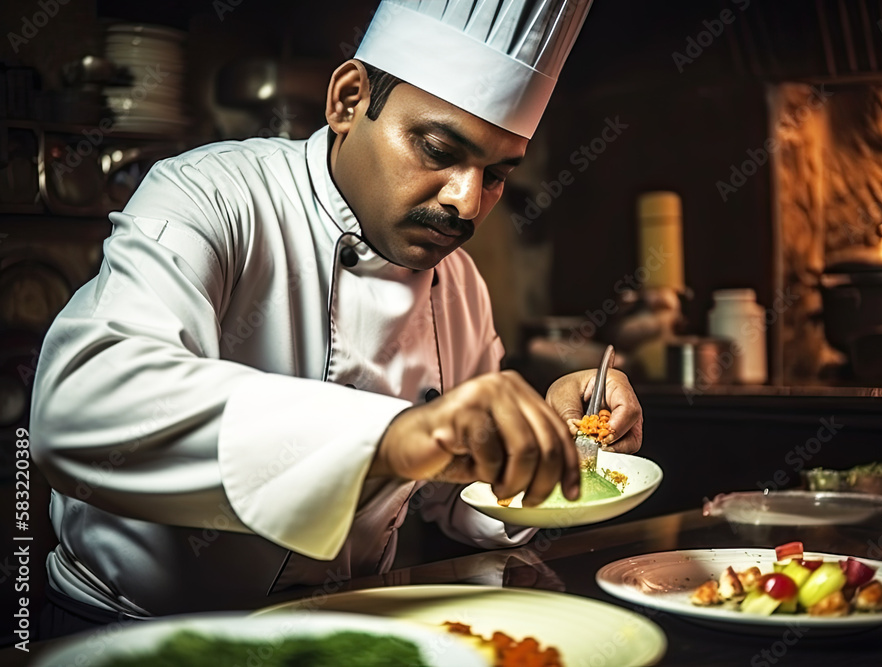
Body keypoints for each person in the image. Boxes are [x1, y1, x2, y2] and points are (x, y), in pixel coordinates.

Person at [29, 0, 643, 637]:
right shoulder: (212, 196)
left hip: (342, 630)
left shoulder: (459, 283)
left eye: (495, 176)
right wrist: (396, 437)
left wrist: (553, 448)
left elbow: (462, 499)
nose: (466, 202)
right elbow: (83, 409)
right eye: (438, 150)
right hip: (130, 633)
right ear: (348, 101)